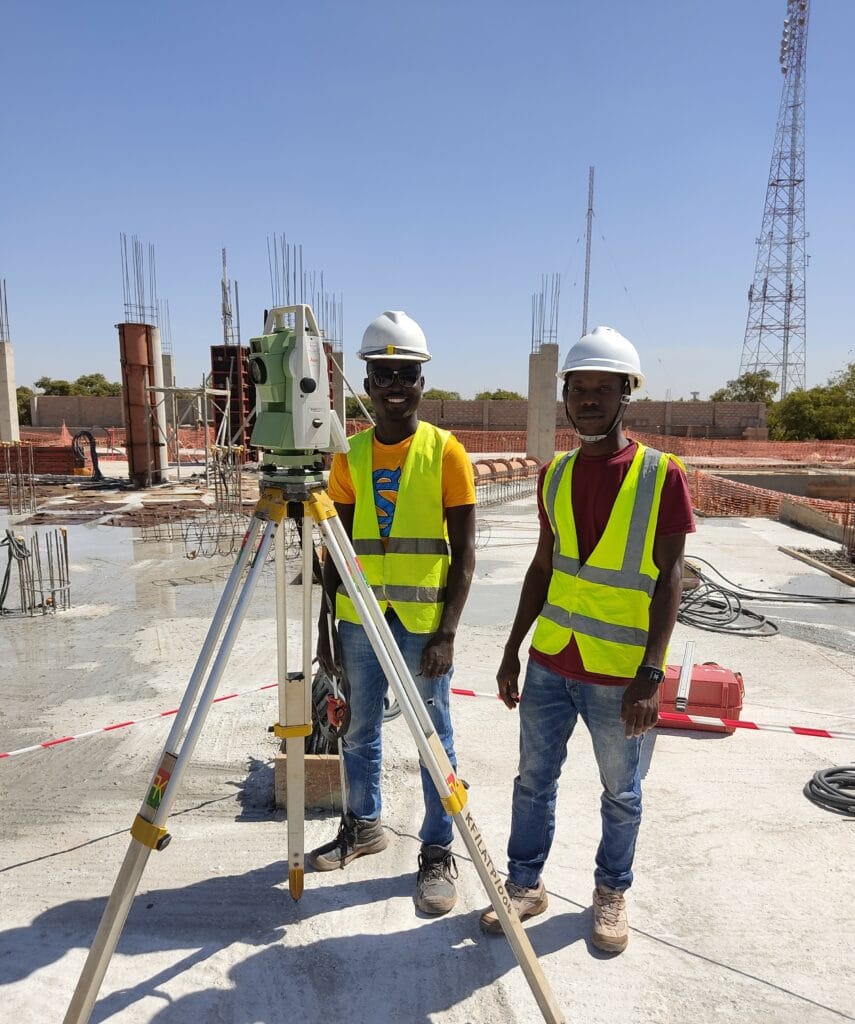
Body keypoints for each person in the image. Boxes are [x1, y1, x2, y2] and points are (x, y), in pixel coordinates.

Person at [480, 325, 695, 952]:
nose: (589, 400)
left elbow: (671, 578)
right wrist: (511, 650)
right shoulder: (555, 475)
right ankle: (525, 885)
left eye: (603, 389)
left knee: (620, 793)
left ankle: (610, 891)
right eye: (579, 389)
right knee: (532, 782)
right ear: (566, 397)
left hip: (621, 675)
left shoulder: (661, 475)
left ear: (626, 394)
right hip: (551, 662)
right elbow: (542, 567)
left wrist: (651, 674)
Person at [308, 310, 476, 916]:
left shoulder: (446, 453)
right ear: (368, 383)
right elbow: (336, 551)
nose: (396, 386)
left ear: (422, 382)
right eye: (384, 375)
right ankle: (364, 825)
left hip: (423, 625)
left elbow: (465, 555)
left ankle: (437, 848)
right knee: (359, 729)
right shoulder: (349, 456)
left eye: (407, 374)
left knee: (434, 737)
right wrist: (327, 628)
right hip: (358, 620)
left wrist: (448, 632)